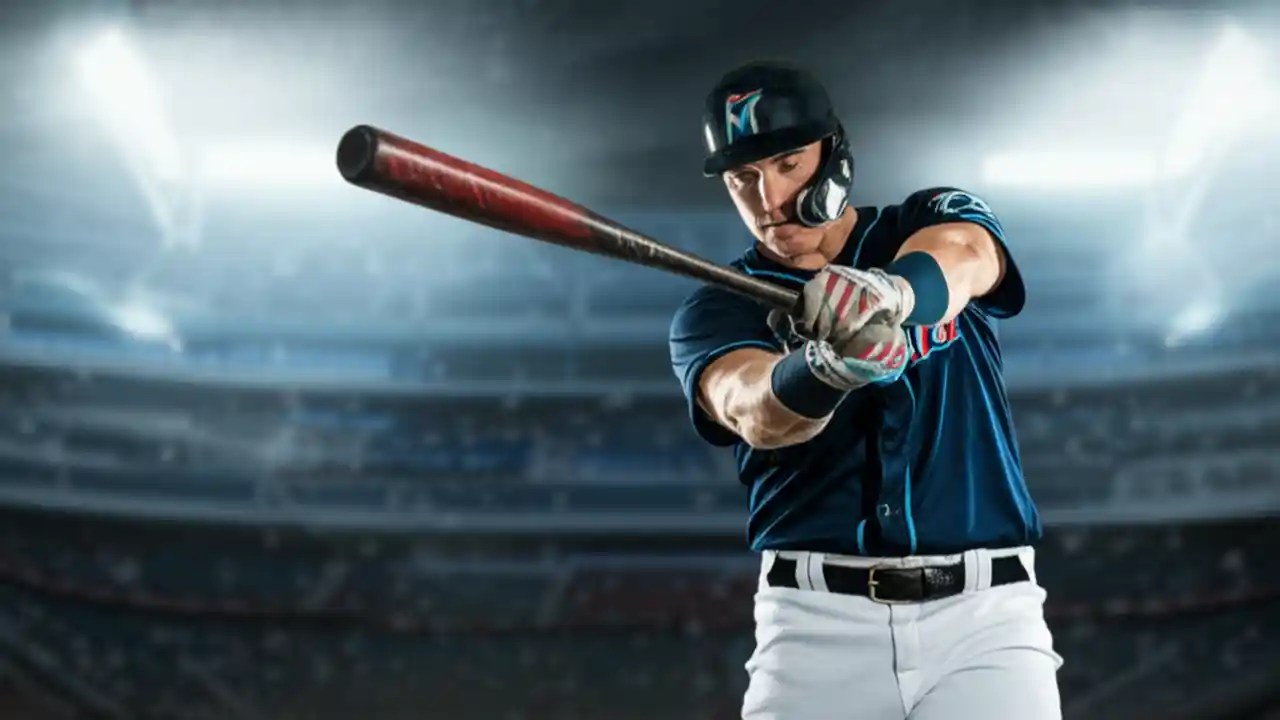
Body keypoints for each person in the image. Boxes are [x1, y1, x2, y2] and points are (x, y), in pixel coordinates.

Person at [668, 60, 1063, 719]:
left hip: (985, 622)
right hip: (814, 628)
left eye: (788, 162)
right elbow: (756, 409)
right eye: (744, 177)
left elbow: (968, 253)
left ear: (834, 156)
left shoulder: (921, 220)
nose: (766, 199)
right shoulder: (716, 308)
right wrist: (827, 369)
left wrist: (893, 292)